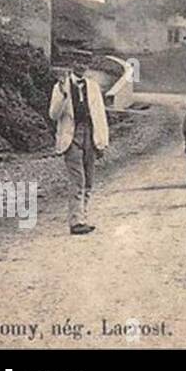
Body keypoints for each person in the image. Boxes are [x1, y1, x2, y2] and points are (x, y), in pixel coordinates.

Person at [48, 52, 110, 235]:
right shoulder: (61, 87)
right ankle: (75, 222)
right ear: (72, 63)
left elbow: (100, 115)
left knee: (89, 180)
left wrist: (102, 141)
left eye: (85, 62)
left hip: (90, 135)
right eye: (78, 62)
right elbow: (53, 115)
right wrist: (63, 95)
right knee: (78, 180)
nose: (82, 66)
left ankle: (82, 217)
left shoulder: (93, 86)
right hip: (71, 137)